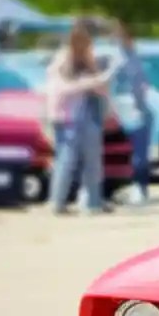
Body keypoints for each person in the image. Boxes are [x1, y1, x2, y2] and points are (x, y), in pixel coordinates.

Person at [46, 19, 114, 215]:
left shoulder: (88, 58)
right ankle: (57, 202)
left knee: (93, 160)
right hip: (68, 117)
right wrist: (89, 83)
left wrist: (100, 86)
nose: (90, 44)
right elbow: (61, 88)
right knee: (66, 160)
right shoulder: (63, 59)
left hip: (88, 114)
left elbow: (100, 88)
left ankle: (93, 201)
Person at [111, 20, 152, 205]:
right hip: (124, 109)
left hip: (137, 109)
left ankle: (140, 188)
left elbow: (142, 83)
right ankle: (131, 188)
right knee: (130, 153)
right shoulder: (117, 57)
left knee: (139, 153)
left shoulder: (134, 56)